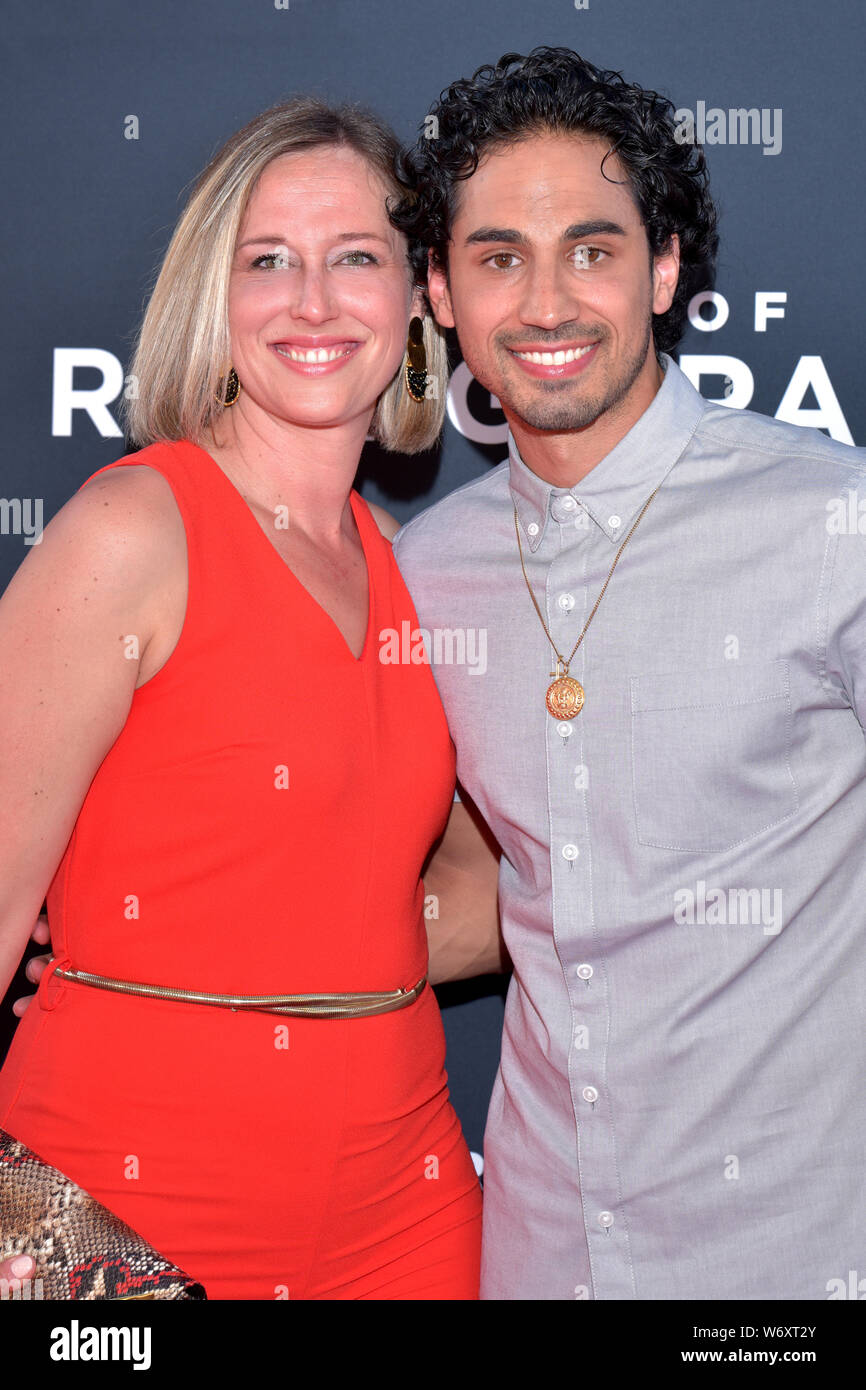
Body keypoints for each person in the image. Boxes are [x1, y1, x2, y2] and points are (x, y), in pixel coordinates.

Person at [384, 47, 866, 1299]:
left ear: (662, 269)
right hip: (542, 1250)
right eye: (497, 258)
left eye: (591, 250)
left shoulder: (828, 520)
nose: (545, 304)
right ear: (438, 291)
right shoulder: (425, 573)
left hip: (796, 1257)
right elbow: (473, 895)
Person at [0, 97, 485, 1300]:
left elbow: (476, 890)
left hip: (408, 1213)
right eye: (267, 261)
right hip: (119, 1221)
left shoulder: (408, 566)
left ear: (419, 303)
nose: (312, 303)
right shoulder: (134, 528)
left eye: (355, 258)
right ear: (212, 304)